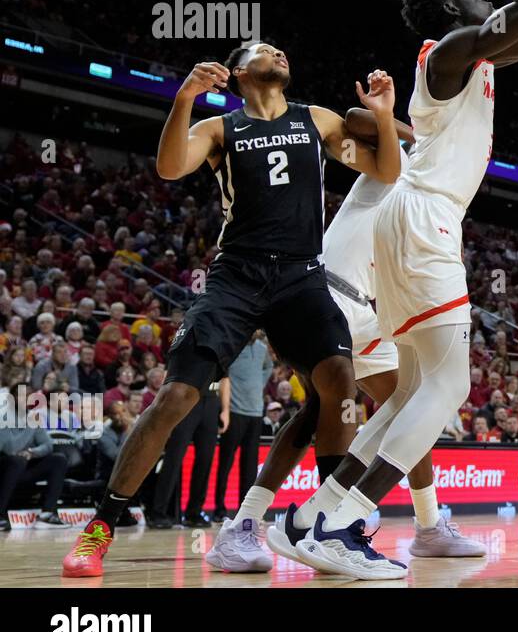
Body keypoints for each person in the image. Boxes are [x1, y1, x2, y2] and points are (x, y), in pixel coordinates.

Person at [289, 0, 518, 580]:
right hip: (423, 220)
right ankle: (342, 526)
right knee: (450, 384)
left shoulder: (473, 54)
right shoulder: (445, 55)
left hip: (413, 222)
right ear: (455, 6)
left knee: (406, 393)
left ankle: (309, 520)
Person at [61, 42, 401, 578]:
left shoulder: (316, 119)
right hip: (238, 275)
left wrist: (383, 117)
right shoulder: (222, 128)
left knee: (339, 380)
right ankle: (98, 530)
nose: (282, 53)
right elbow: (170, 167)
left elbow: (384, 171)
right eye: (268, 51)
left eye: (284, 50)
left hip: (300, 275)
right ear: (241, 72)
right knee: (175, 397)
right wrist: (184, 98)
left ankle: (331, 526)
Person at [210, 332, 274, 524]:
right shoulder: (233, 345)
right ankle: (219, 510)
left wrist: (258, 383)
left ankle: (244, 511)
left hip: (255, 412)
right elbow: (222, 373)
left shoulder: (262, 349)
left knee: (249, 467)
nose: (257, 331)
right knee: (225, 463)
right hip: (235, 411)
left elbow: (269, 366)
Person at [0, 393, 69, 530]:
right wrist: (30, 426)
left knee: (58, 459)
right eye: (21, 396)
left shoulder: (31, 418)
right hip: (4, 468)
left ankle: (46, 514)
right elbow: (10, 448)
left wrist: (32, 452)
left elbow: (48, 445)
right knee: (16, 460)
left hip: (22, 467)